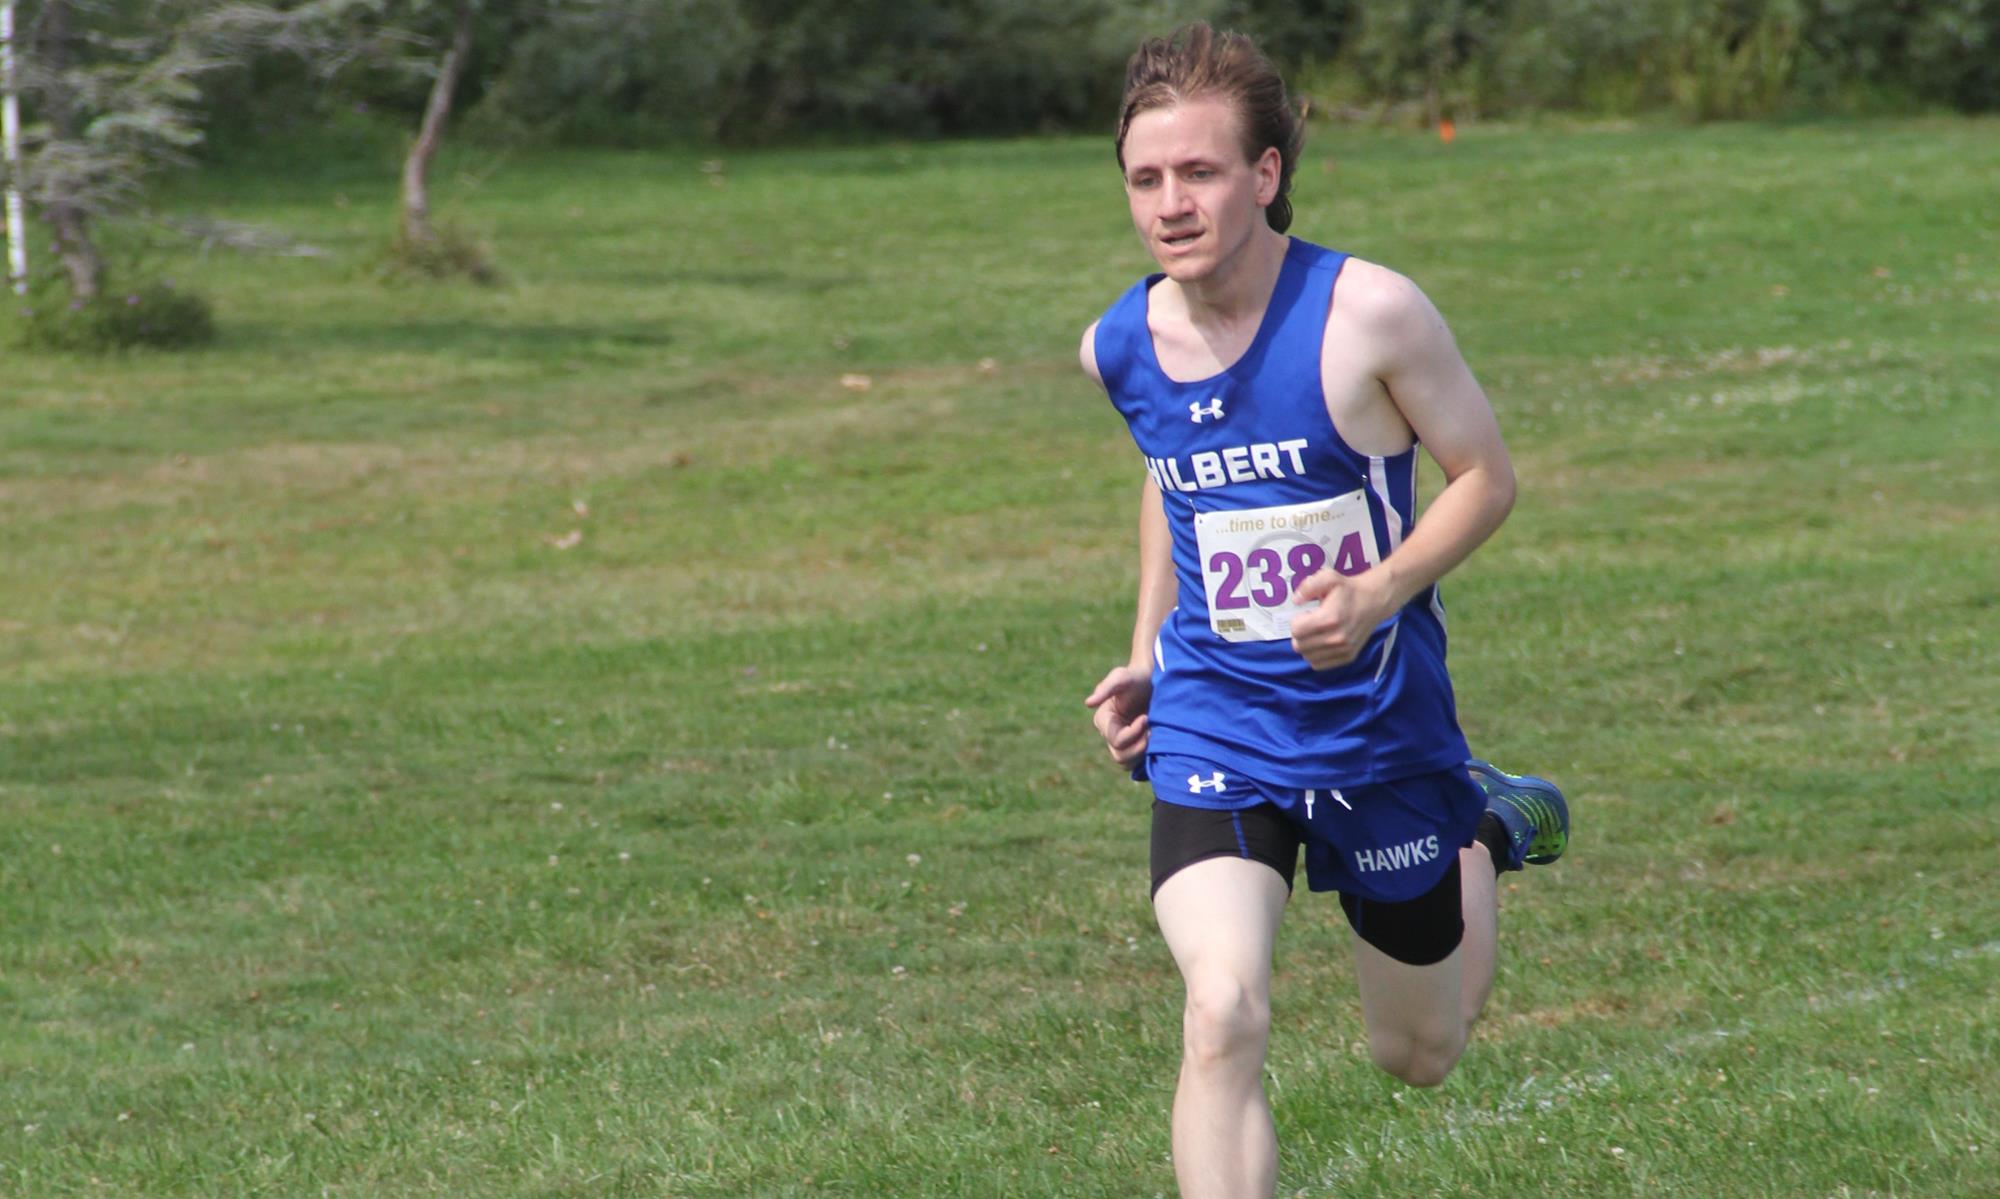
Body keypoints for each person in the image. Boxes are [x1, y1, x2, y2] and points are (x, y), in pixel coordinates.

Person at [1077, 23, 1571, 1199]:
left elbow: (1484, 477)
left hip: (1374, 724)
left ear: (1264, 174)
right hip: (1215, 726)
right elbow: (1170, 477)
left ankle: (1486, 827)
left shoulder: (1368, 315)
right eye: (1145, 179)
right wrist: (1146, 651)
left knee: (1420, 1051)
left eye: (1198, 172)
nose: (1169, 203)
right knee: (1222, 1009)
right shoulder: (1118, 345)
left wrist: (1377, 589)